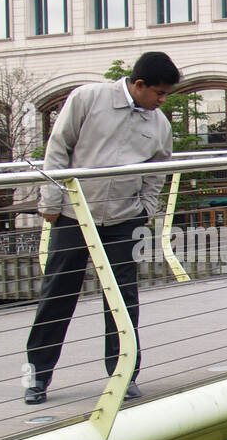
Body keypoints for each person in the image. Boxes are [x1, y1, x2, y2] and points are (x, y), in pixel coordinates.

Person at [24, 51, 180, 406]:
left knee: (124, 299)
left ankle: (125, 375)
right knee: (57, 296)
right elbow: (57, 149)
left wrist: (146, 209)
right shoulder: (87, 98)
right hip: (73, 215)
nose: (161, 100)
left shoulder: (159, 124)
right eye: (158, 93)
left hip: (125, 219)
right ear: (138, 84)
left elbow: (158, 170)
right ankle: (36, 377)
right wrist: (50, 203)